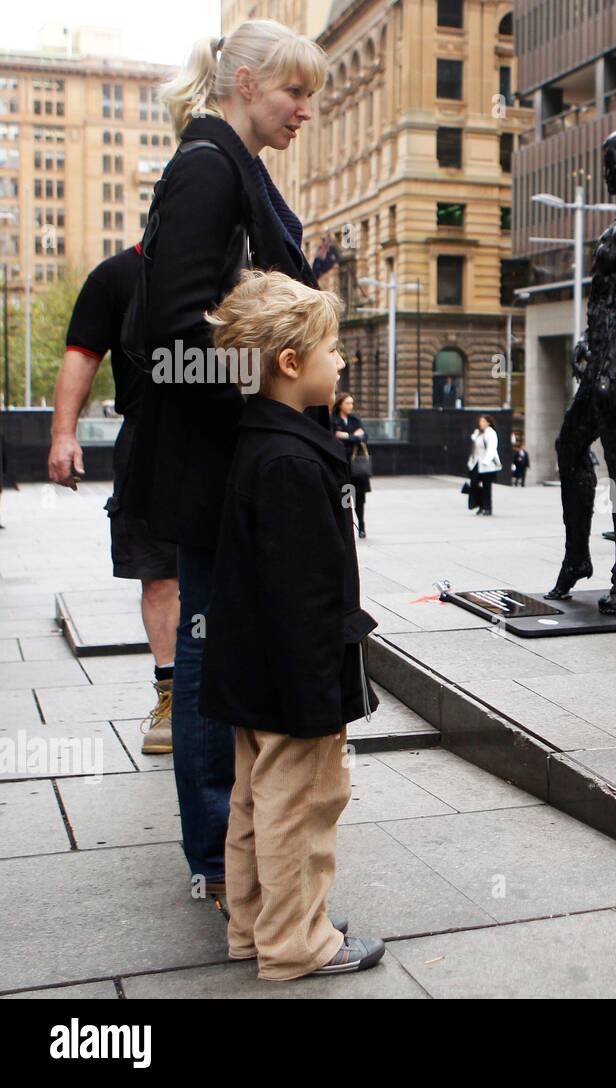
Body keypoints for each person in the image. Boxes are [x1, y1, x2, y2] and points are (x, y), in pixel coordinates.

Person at [121, 19, 327, 899]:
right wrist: (269, 382)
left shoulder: (228, 166)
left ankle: (226, 847)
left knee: (217, 639)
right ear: (244, 82)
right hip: (217, 465)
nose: (305, 112)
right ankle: (216, 855)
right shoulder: (209, 169)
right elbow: (170, 341)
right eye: (294, 93)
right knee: (207, 645)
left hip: (231, 457)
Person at [200, 270, 384, 978]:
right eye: (332, 348)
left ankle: (256, 927)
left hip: (253, 670)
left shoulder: (264, 442)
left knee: (256, 801)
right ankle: (296, 943)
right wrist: (318, 700)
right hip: (292, 678)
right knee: (303, 804)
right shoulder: (291, 461)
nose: (340, 360)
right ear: (289, 363)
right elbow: (303, 595)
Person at [48, 246, 179, 755]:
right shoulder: (116, 276)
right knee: (159, 572)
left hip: (229, 438)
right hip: (149, 443)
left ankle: (225, 695)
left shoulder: (238, 268)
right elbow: (82, 353)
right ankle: (170, 699)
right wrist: (63, 434)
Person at [331, 392, 370, 537]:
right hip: (342, 465)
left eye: (352, 403)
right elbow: (333, 438)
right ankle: (347, 527)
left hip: (356, 466)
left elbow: (364, 437)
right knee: (345, 498)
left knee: (359, 499)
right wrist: (355, 436)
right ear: (340, 404)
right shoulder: (333, 420)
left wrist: (346, 436)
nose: (350, 406)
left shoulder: (355, 419)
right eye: (347, 403)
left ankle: (361, 526)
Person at [468, 413, 501, 515]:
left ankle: (487, 508)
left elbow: (492, 448)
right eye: (480, 421)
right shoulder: (478, 433)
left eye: (483, 421)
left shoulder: (491, 433)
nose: (481, 423)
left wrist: (486, 461)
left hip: (488, 465)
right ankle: (480, 504)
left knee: (487, 486)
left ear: (488, 423)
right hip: (477, 463)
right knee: (474, 484)